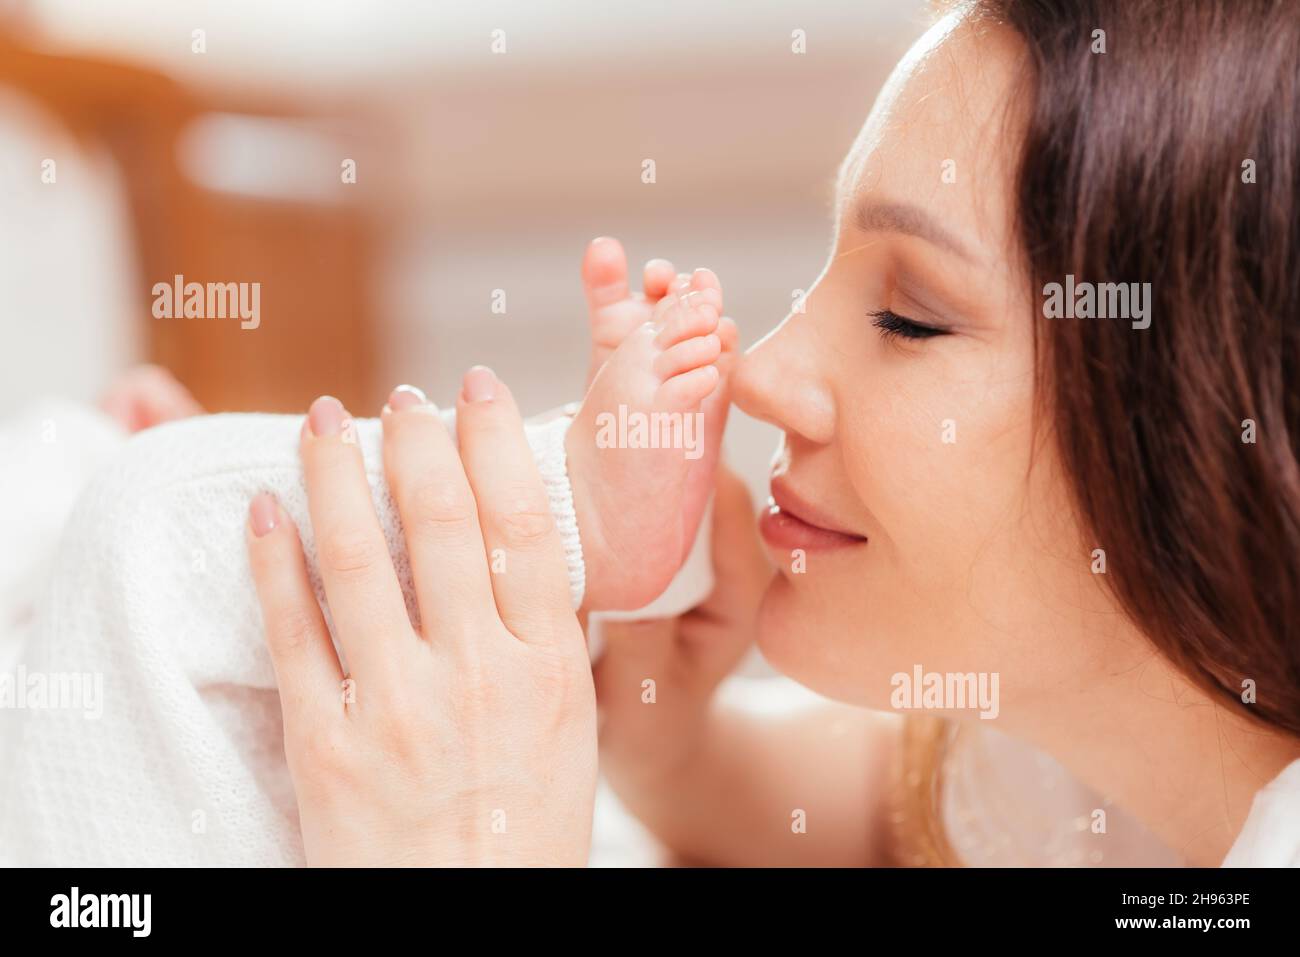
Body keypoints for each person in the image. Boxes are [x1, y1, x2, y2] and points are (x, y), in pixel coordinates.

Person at [252, 0, 1300, 866]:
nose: (759, 374)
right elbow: (885, 806)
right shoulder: (1110, 764)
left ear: (1205, 430)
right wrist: (672, 750)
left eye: (909, 317)